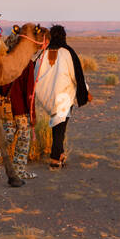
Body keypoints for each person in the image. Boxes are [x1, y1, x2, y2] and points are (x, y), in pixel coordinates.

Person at [33, 24, 91, 168]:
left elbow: (35, 74)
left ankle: (60, 154)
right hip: (64, 95)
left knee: (57, 124)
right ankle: (55, 159)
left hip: (46, 96)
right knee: (60, 127)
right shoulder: (67, 52)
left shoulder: (43, 53)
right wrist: (85, 91)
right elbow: (76, 74)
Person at [0, 42, 39, 180]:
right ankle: (19, 171)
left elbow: (0, 86)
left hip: (6, 106)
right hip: (21, 108)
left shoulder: (5, 61)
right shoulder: (26, 64)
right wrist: (32, 113)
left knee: (8, 134)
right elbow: (29, 91)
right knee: (24, 139)